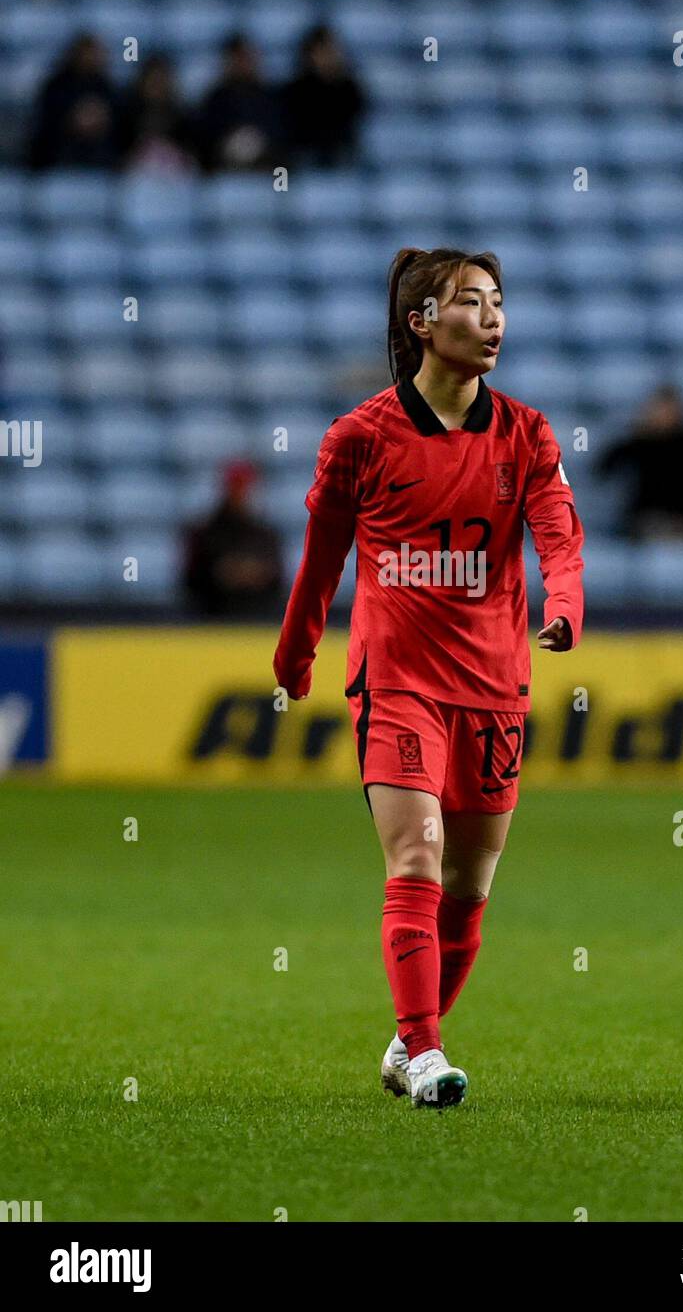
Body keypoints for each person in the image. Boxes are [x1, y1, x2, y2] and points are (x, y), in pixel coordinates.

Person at [273, 247, 584, 1109]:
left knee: (469, 887)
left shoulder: (526, 434)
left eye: (497, 304)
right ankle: (424, 1052)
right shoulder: (360, 437)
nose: (492, 320)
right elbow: (322, 557)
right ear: (421, 324)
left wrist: (565, 600)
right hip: (397, 678)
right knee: (418, 850)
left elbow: (560, 533)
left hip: (493, 684)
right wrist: (295, 650)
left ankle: (410, 1036)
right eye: (471, 304)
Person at [596, 384, 683, 538]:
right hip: (646, 519)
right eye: (660, 409)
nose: (664, 415)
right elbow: (604, 468)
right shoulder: (636, 444)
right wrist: (635, 433)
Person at [183, 460, 283, 618]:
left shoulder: (267, 535)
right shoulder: (203, 534)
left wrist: (256, 575)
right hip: (212, 623)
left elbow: (278, 582)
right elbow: (190, 583)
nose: (240, 495)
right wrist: (221, 575)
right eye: (236, 487)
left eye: (244, 488)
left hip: (258, 623)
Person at [28, 33, 121, 170]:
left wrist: (98, 119)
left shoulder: (106, 86)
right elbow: (47, 119)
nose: (89, 58)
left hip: (99, 147)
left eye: (93, 54)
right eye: (86, 53)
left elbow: (117, 117)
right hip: (60, 146)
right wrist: (73, 118)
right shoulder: (56, 85)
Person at [279, 23, 366, 169]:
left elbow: (352, 121)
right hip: (305, 154)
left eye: (330, 50)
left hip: (341, 154)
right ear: (310, 54)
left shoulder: (349, 88)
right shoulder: (295, 89)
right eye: (322, 50)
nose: (327, 56)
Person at [196, 33, 279, 172]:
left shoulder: (269, 96)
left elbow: (278, 133)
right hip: (225, 165)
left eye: (246, 58)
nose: (242, 64)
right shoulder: (216, 98)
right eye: (237, 58)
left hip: (265, 163)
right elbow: (206, 138)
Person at [118, 52, 196, 173]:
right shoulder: (127, 115)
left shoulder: (183, 116)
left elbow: (191, 156)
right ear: (142, 82)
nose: (157, 86)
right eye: (152, 80)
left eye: (161, 80)